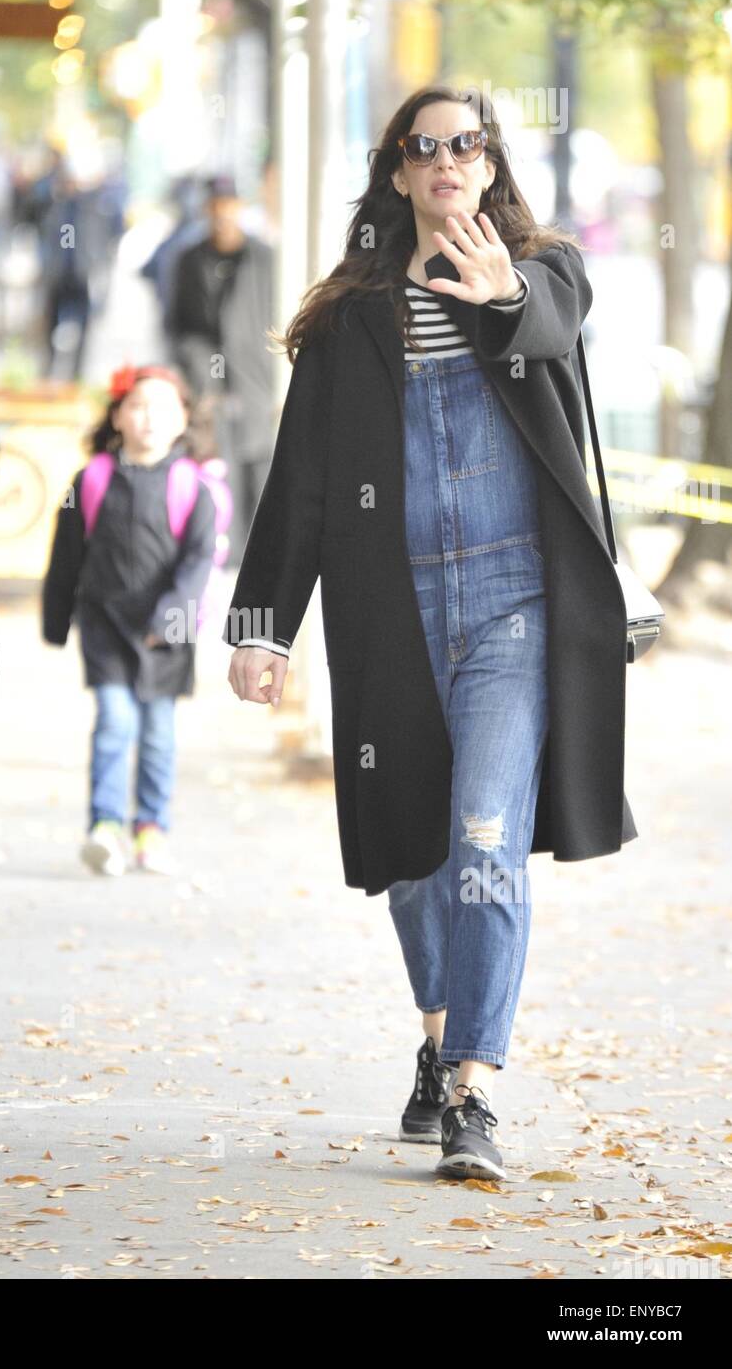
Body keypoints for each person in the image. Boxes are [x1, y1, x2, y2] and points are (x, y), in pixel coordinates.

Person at [223, 85, 638, 1183]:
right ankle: (441, 1027)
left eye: (469, 145)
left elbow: (548, 324)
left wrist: (500, 291)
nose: (449, 161)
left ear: (491, 165)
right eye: (427, 147)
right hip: (391, 612)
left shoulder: (544, 273)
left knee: (486, 841)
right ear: (399, 171)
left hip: (514, 607)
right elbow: (302, 483)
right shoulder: (353, 317)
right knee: (416, 860)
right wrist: (265, 625)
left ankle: (472, 1093)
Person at [42, 365, 218, 876]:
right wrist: (56, 622)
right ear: (117, 415)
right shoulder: (91, 479)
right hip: (106, 626)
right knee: (116, 722)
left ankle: (151, 828)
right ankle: (105, 827)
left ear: (183, 419)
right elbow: (65, 556)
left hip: (168, 633)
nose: (148, 418)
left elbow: (199, 563)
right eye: (137, 406)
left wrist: (170, 619)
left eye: (162, 408)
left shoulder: (194, 486)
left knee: (159, 733)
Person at [168, 174, 275, 567]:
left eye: (229, 205)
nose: (222, 215)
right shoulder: (189, 259)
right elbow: (177, 325)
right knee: (218, 467)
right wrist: (196, 375)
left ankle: (261, 561)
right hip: (210, 383)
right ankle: (223, 556)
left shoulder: (265, 258)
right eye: (215, 206)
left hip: (258, 381)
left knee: (261, 469)